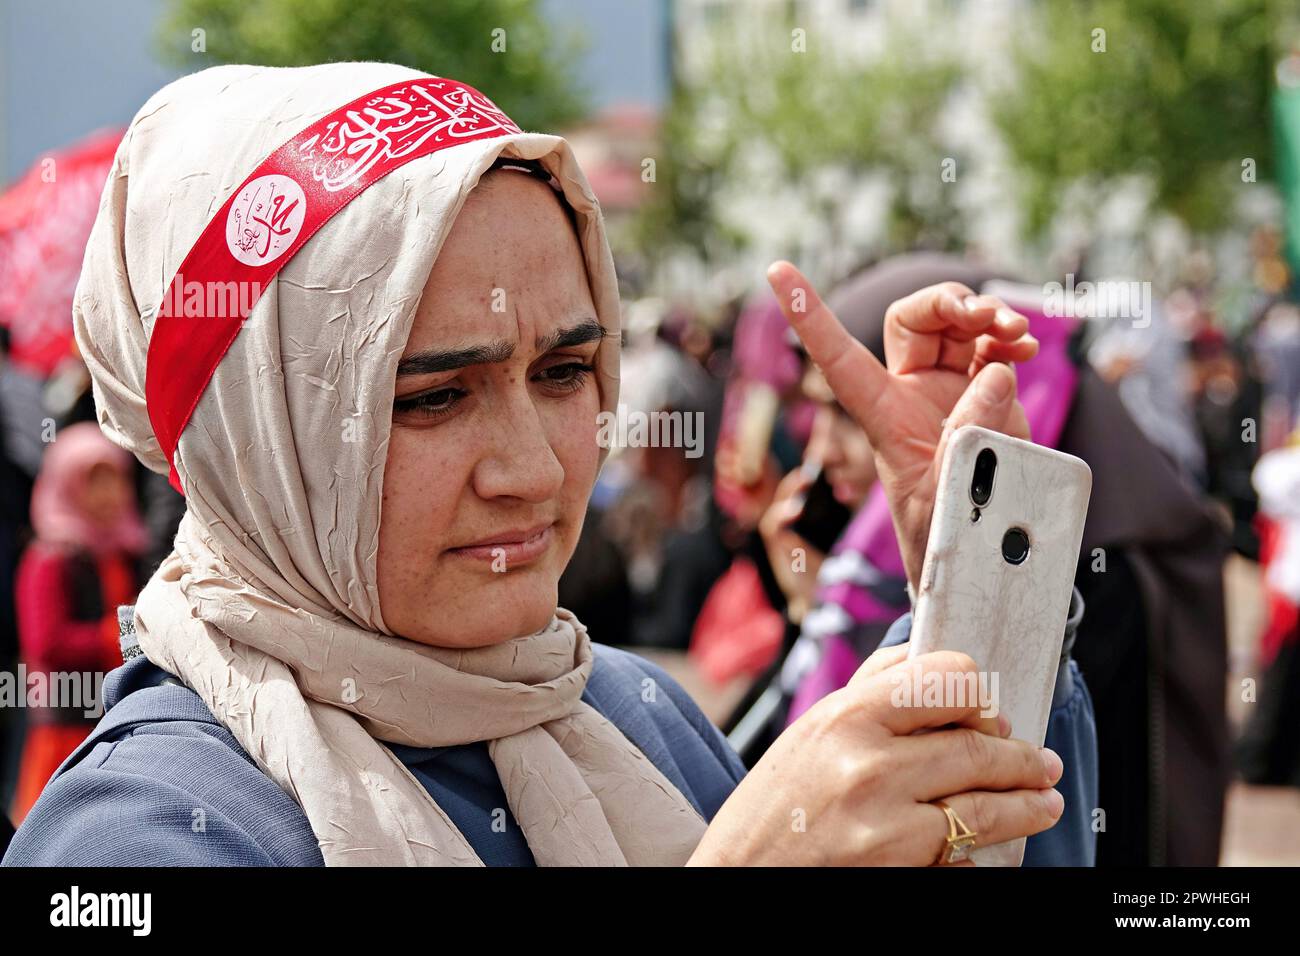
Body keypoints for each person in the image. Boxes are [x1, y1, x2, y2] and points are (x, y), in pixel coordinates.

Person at [5, 63, 1085, 866]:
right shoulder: (146, 836)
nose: (529, 467)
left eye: (567, 371)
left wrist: (982, 609)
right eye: (433, 395)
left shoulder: (626, 713)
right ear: (259, 439)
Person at [8, 422, 146, 823]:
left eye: (115, 480)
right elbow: (47, 644)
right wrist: (120, 635)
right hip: (66, 724)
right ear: (65, 485)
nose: (108, 496)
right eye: (93, 482)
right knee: (53, 829)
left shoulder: (120, 552)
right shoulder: (49, 560)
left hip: (111, 720)